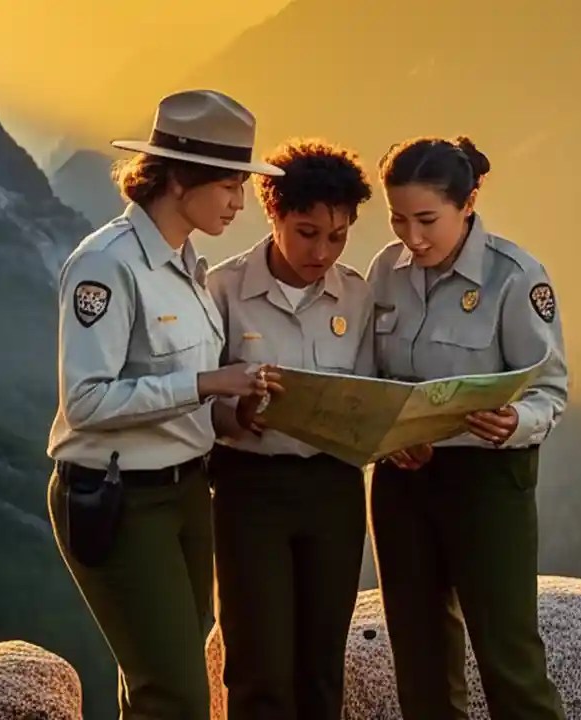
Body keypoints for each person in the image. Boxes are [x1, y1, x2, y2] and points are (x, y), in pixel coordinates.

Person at [45, 89, 284, 720]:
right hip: (115, 496)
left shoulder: (184, 263)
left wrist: (235, 413)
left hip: (184, 492)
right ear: (180, 179)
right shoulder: (106, 264)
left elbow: (181, 394)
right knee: (175, 693)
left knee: (157, 683)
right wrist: (208, 385)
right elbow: (87, 402)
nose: (240, 202)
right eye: (230, 186)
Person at [365, 135, 569, 720]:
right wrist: (385, 434)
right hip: (403, 481)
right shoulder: (386, 271)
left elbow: (549, 389)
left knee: (508, 657)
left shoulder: (515, 277)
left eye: (428, 219)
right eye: (398, 219)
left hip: (489, 479)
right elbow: (371, 376)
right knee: (420, 657)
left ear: (467, 202)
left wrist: (514, 420)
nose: (413, 236)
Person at [206, 137, 375, 720]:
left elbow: (372, 391)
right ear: (272, 212)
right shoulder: (221, 290)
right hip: (249, 489)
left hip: (334, 490)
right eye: (307, 232)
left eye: (338, 235)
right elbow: (194, 400)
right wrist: (238, 413)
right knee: (258, 668)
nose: (322, 250)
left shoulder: (358, 297)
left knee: (322, 667)